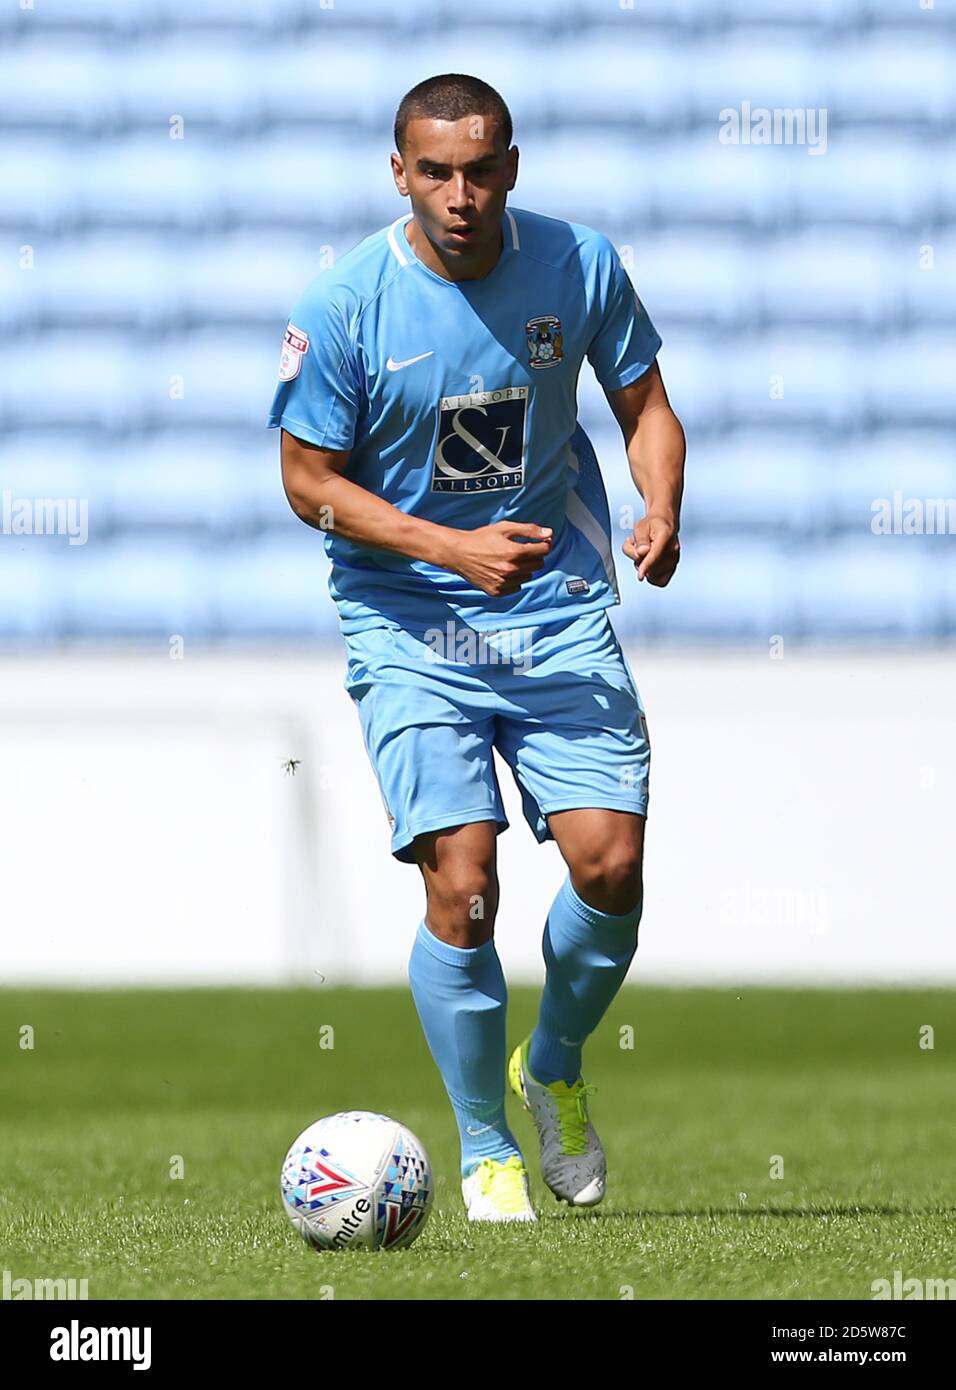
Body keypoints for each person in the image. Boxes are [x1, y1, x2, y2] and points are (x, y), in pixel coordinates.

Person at [268, 73, 685, 1222]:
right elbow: (308, 482)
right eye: (435, 171)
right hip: (409, 616)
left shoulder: (577, 264)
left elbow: (645, 406)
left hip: (550, 607)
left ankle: (548, 1066)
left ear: (511, 165)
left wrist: (660, 508)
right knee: (464, 882)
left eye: (482, 168)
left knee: (609, 867)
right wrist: (445, 551)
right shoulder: (348, 301)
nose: (461, 193)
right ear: (399, 174)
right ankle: (485, 1142)